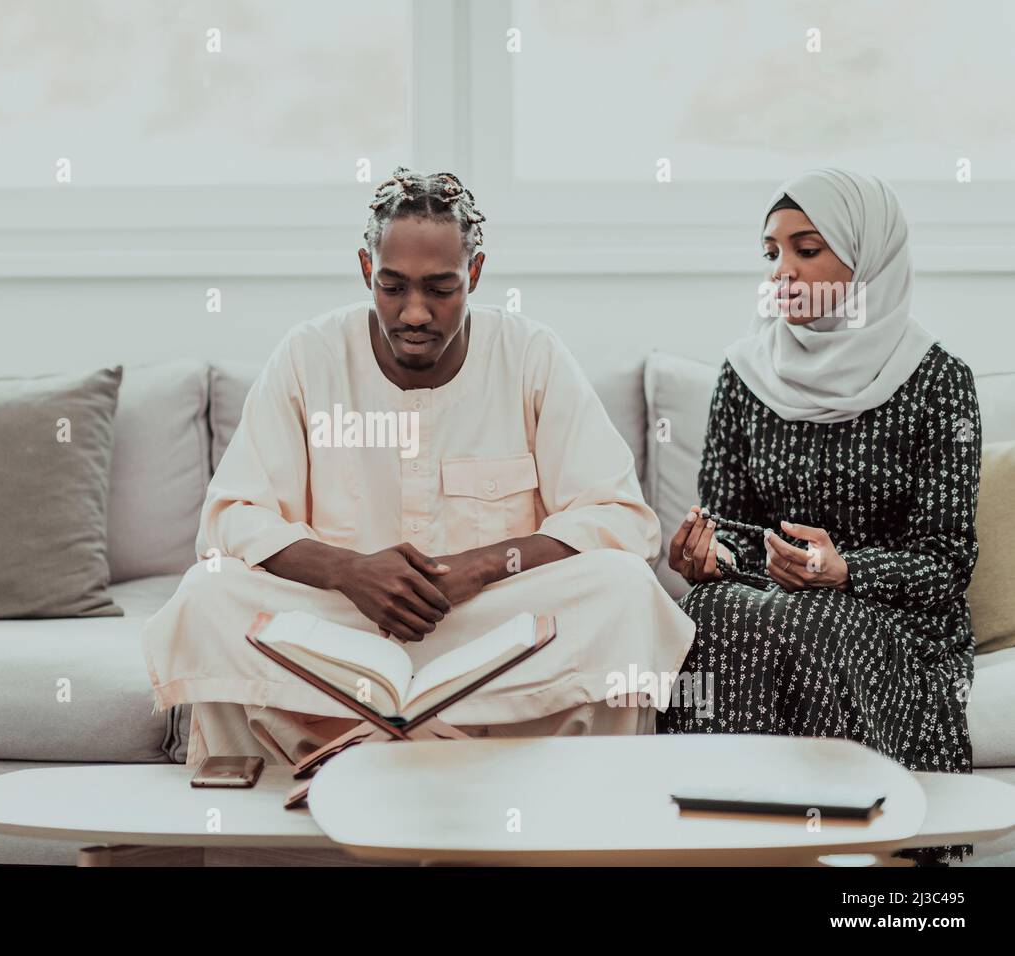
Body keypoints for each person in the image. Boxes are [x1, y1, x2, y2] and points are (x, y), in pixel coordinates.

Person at [142, 167, 694, 765]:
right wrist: (346, 572)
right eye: (392, 286)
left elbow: (620, 520)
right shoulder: (309, 355)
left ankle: (407, 758)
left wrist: (481, 567)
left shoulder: (530, 355)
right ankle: (271, 796)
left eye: (439, 288)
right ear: (365, 270)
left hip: (490, 632)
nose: (414, 313)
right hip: (342, 633)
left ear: (474, 274)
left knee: (625, 588)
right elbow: (230, 520)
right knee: (209, 591)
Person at [659, 169, 982, 860]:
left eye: (807, 249)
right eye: (771, 253)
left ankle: (854, 856)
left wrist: (845, 569)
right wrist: (713, 558)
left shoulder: (938, 381)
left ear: (866, 258)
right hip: (769, 604)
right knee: (709, 612)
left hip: (892, 615)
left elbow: (946, 562)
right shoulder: (745, 375)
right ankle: (725, 850)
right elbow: (735, 531)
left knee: (809, 622)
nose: (784, 271)